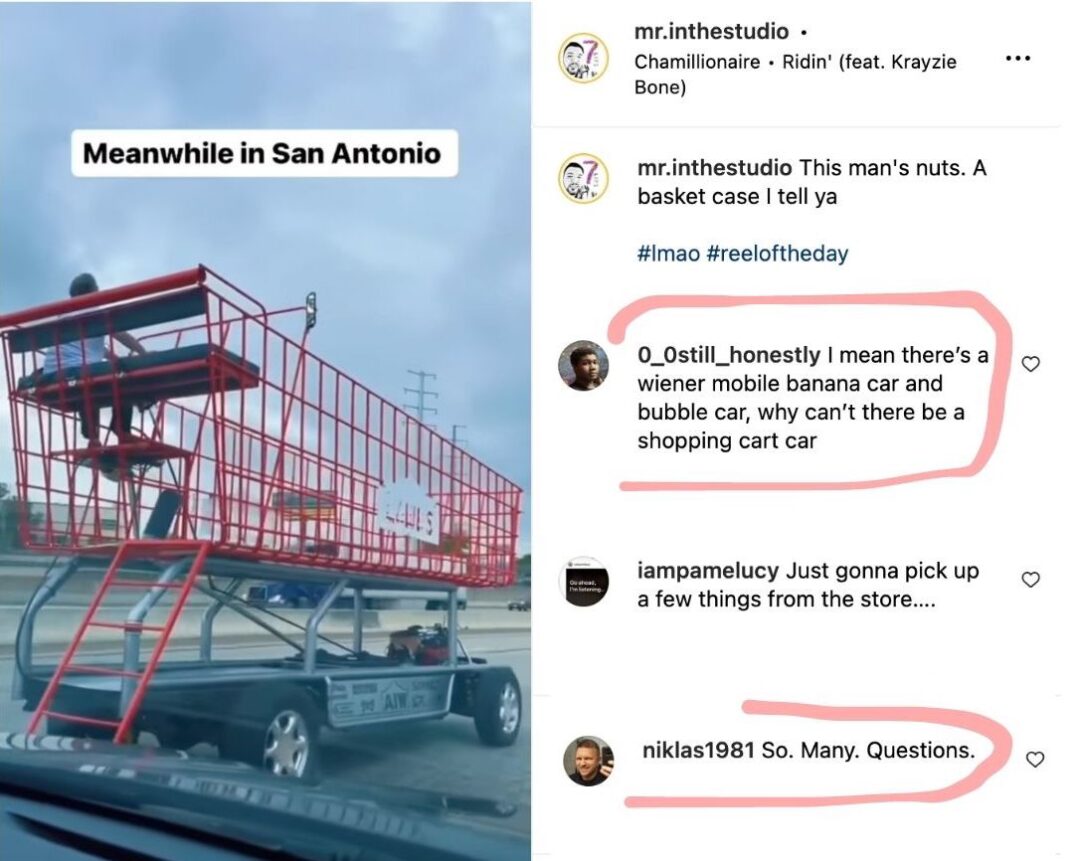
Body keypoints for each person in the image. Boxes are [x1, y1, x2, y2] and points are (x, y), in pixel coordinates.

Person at [40, 273, 149, 444]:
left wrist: (113, 357)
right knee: (121, 379)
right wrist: (143, 353)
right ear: (94, 291)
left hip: (52, 374)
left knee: (83, 386)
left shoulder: (63, 317)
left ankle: (93, 437)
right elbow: (122, 335)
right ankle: (122, 430)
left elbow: (86, 347)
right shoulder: (96, 313)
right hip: (80, 373)